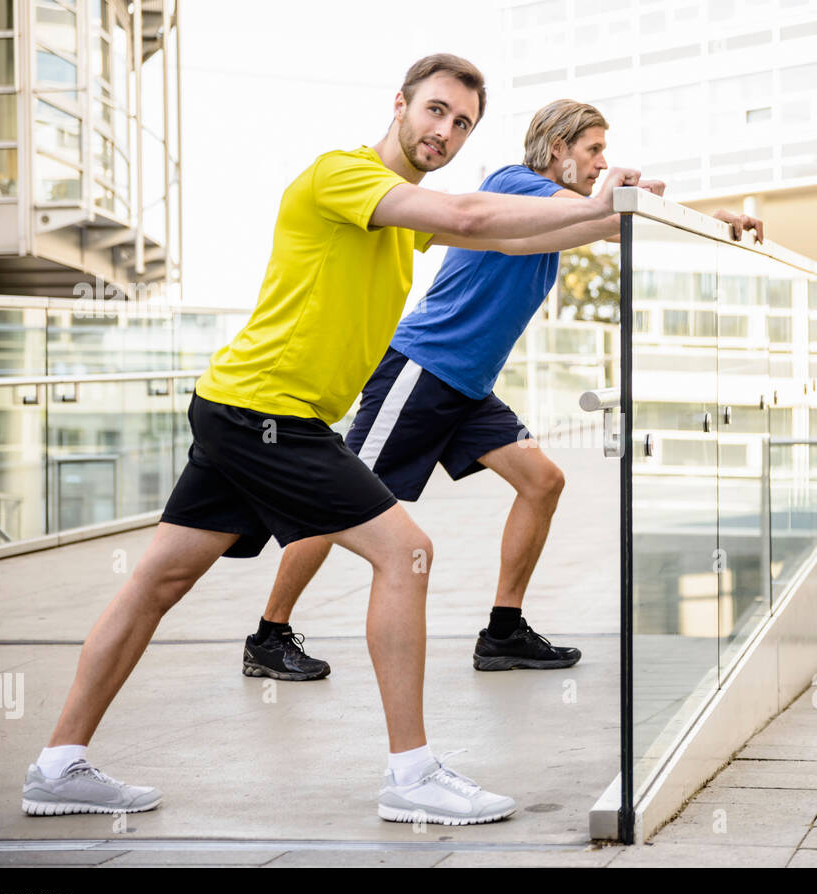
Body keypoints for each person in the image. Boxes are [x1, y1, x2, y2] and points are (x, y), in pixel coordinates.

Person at [20, 54, 642, 827]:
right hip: (266, 414)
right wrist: (604, 207)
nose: (444, 132)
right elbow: (475, 220)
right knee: (404, 550)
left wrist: (626, 212)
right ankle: (411, 774)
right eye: (436, 112)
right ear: (401, 104)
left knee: (156, 582)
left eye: (461, 124)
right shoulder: (341, 175)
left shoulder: (397, 216)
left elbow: (510, 241)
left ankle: (56, 764)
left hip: (241, 406)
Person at [243, 99, 764, 679]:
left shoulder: (559, 218)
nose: (600, 162)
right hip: (420, 370)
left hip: (467, 388)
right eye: (593, 150)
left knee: (543, 482)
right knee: (338, 503)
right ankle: (269, 634)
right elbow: (608, 211)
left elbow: (620, 223)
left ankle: (503, 632)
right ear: (558, 149)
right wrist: (633, 200)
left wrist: (714, 223)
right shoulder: (514, 184)